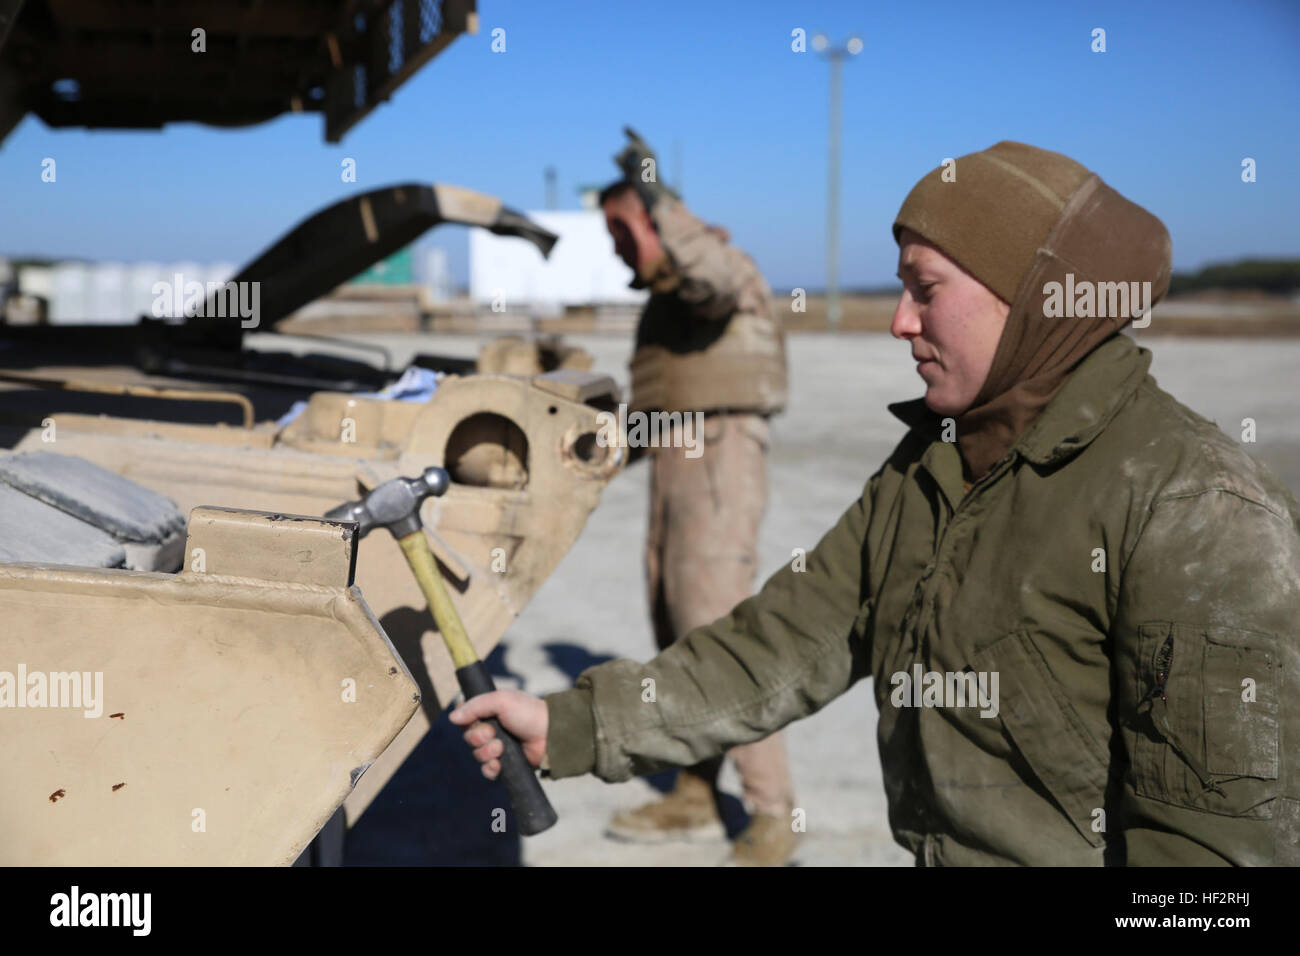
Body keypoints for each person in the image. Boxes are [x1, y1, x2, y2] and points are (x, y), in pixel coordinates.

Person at [451, 141, 1300, 866]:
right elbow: (775, 646)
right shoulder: (931, 463)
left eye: (925, 289)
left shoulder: (1198, 511)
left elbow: (1214, 880)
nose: (897, 321)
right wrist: (570, 723)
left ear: (1034, 297)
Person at [581, 129, 796, 866]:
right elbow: (659, 408)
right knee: (677, 633)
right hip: (681, 461)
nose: (614, 248)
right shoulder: (667, 305)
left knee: (719, 636)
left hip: (719, 458)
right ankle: (699, 793)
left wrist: (660, 199)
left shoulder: (716, 268)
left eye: (622, 230)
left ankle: (774, 815)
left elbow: (715, 281)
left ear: (659, 219)